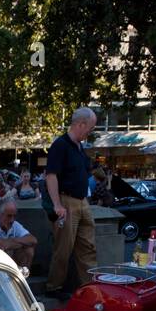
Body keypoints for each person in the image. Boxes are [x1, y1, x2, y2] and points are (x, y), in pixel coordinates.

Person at [44, 106, 97, 296]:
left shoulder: (80, 147)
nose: (91, 131)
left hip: (82, 201)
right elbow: (51, 176)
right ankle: (54, 286)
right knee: (63, 248)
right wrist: (57, 204)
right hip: (67, 201)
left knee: (87, 247)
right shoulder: (60, 145)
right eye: (90, 127)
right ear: (81, 124)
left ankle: (88, 286)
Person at [0, 197, 37, 272]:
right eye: (9, 216)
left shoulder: (15, 225)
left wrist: (13, 240)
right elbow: (3, 245)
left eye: (14, 216)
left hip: (10, 260)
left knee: (29, 250)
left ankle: (21, 279)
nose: (12, 220)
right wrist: (21, 242)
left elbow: (33, 240)